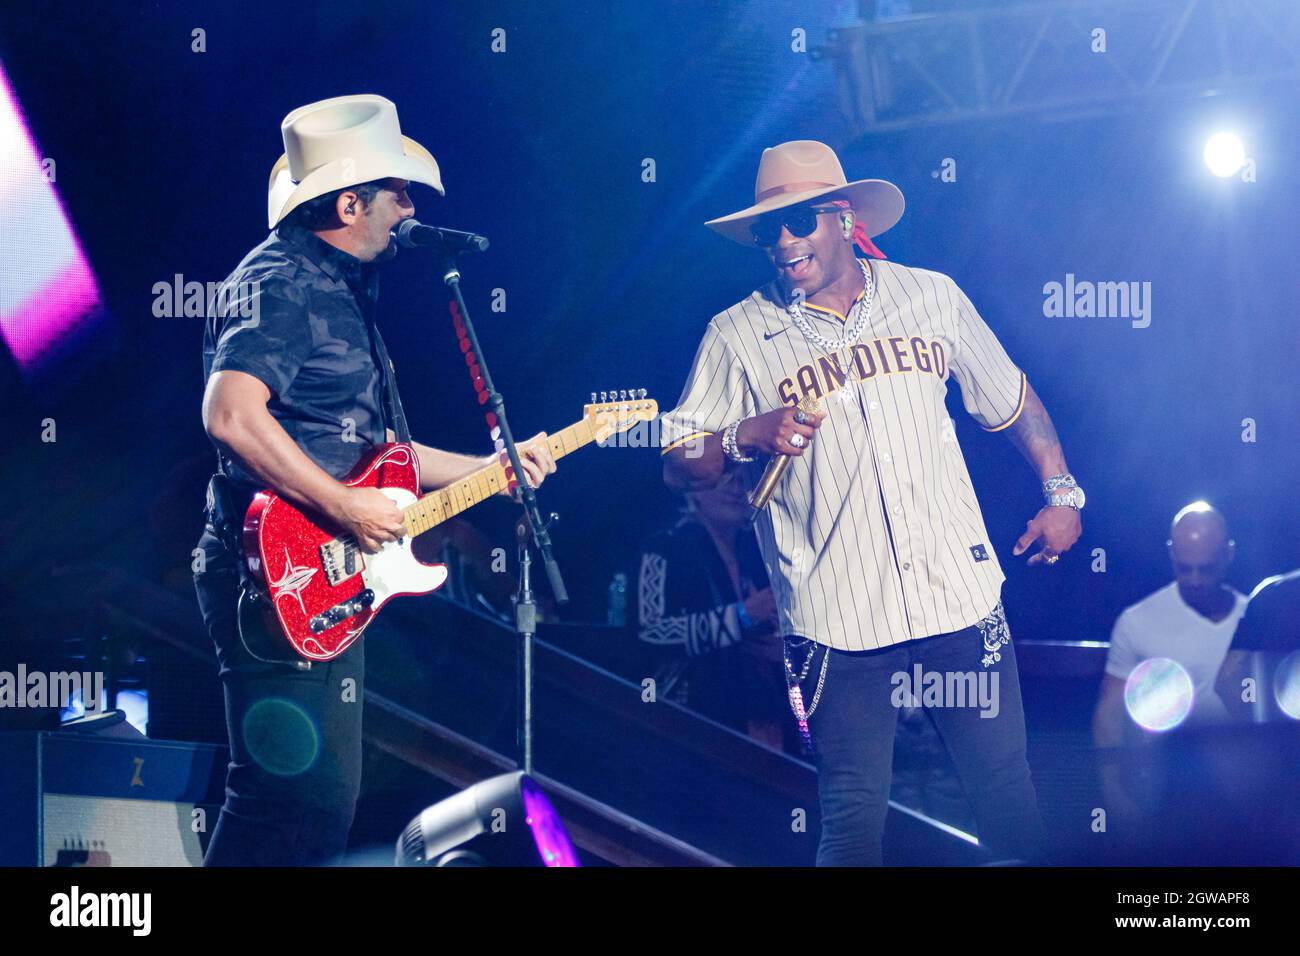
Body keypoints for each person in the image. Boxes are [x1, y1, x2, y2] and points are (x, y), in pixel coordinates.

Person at [661, 140, 1083, 865]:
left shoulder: (931, 296)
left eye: (799, 221)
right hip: (835, 620)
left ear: (844, 217)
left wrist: (1061, 491)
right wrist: (745, 434)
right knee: (853, 821)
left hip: (956, 594)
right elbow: (676, 460)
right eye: (768, 229)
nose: (783, 241)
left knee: (1007, 800)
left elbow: (1010, 397)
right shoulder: (737, 333)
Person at [194, 95, 556, 865]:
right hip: (273, 571)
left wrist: (494, 470)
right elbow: (229, 413)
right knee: (281, 803)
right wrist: (343, 506)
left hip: (321, 572)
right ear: (349, 203)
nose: (411, 208)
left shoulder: (341, 290)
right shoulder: (281, 281)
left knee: (316, 805)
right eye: (399, 191)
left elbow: (382, 455)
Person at [634, 469, 791, 750]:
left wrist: (781, 650)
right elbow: (650, 633)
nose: (737, 489)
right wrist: (741, 617)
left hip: (761, 724)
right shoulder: (664, 548)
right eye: (724, 480)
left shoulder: (756, 552)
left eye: (742, 480)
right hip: (690, 726)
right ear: (693, 490)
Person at [1216, 567, 1300, 722]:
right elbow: (1229, 677)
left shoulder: (1271, 594)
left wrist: (1257, 727)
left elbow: (1229, 677)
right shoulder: (1272, 595)